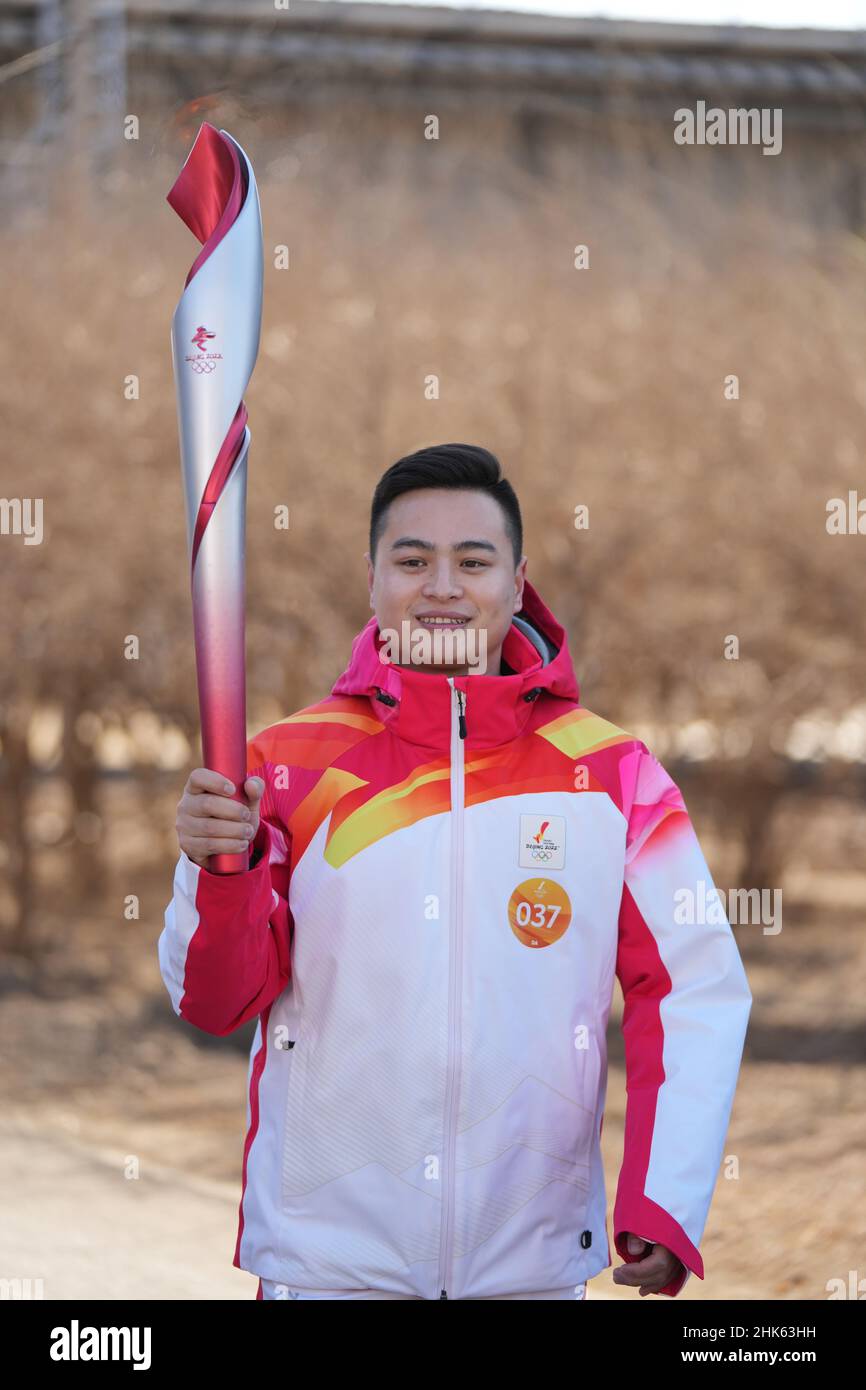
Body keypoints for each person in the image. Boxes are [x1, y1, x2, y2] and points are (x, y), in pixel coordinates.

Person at [158, 442, 752, 1301]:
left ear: (517, 583)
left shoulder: (612, 775)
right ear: (372, 579)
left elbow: (692, 985)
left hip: (530, 1268)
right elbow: (215, 1003)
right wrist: (221, 872)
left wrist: (666, 1199)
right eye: (412, 559)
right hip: (330, 1269)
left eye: (473, 561)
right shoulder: (282, 768)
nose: (442, 587)